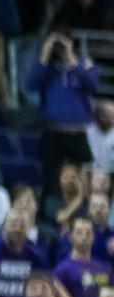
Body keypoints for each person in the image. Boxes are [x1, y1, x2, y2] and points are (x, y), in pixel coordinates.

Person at [29, 31, 100, 200]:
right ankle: (51, 216)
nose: (59, 47)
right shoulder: (46, 69)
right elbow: (31, 83)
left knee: (83, 178)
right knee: (50, 178)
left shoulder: (84, 64)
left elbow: (92, 84)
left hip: (78, 132)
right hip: (53, 132)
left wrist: (71, 58)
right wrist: (46, 54)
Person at [0, 208, 49, 297]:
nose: (17, 229)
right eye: (13, 224)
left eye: (22, 225)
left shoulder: (37, 257)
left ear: (30, 228)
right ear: (4, 226)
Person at [52, 215, 109, 297]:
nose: (84, 237)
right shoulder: (61, 270)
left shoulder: (105, 268)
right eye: (79, 232)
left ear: (94, 236)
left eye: (88, 233)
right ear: (70, 236)